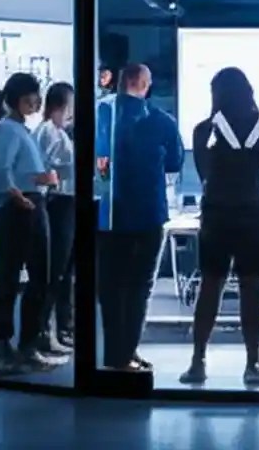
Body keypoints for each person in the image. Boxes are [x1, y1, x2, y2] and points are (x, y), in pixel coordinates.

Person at [178, 67, 259, 387]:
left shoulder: (203, 130)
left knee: (210, 286)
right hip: (252, 213)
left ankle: (197, 361)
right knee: (252, 290)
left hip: (217, 214)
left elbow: (205, 173)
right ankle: (253, 363)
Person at [96, 63, 183, 372]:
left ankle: (111, 354)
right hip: (147, 213)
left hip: (106, 215)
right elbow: (174, 162)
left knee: (109, 285)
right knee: (139, 286)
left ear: (119, 83)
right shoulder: (162, 121)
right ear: (145, 85)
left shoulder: (98, 114)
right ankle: (127, 353)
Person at [0, 72, 62, 375]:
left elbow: (18, 170)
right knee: (8, 276)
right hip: (20, 208)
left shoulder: (20, 129)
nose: (35, 101)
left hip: (30, 203)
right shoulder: (6, 129)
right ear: (16, 97)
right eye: (30, 95)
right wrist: (19, 196)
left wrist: (42, 179)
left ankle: (29, 345)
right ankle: (1, 348)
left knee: (37, 277)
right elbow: (1, 172)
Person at [33, 81, 77, 353]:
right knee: (56, 269)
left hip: (66, 203)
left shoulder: (58, 131)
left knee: (65, 270)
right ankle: (45, 331)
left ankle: (62, 328)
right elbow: (45, 170)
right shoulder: (48, 132)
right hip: (59, 203)